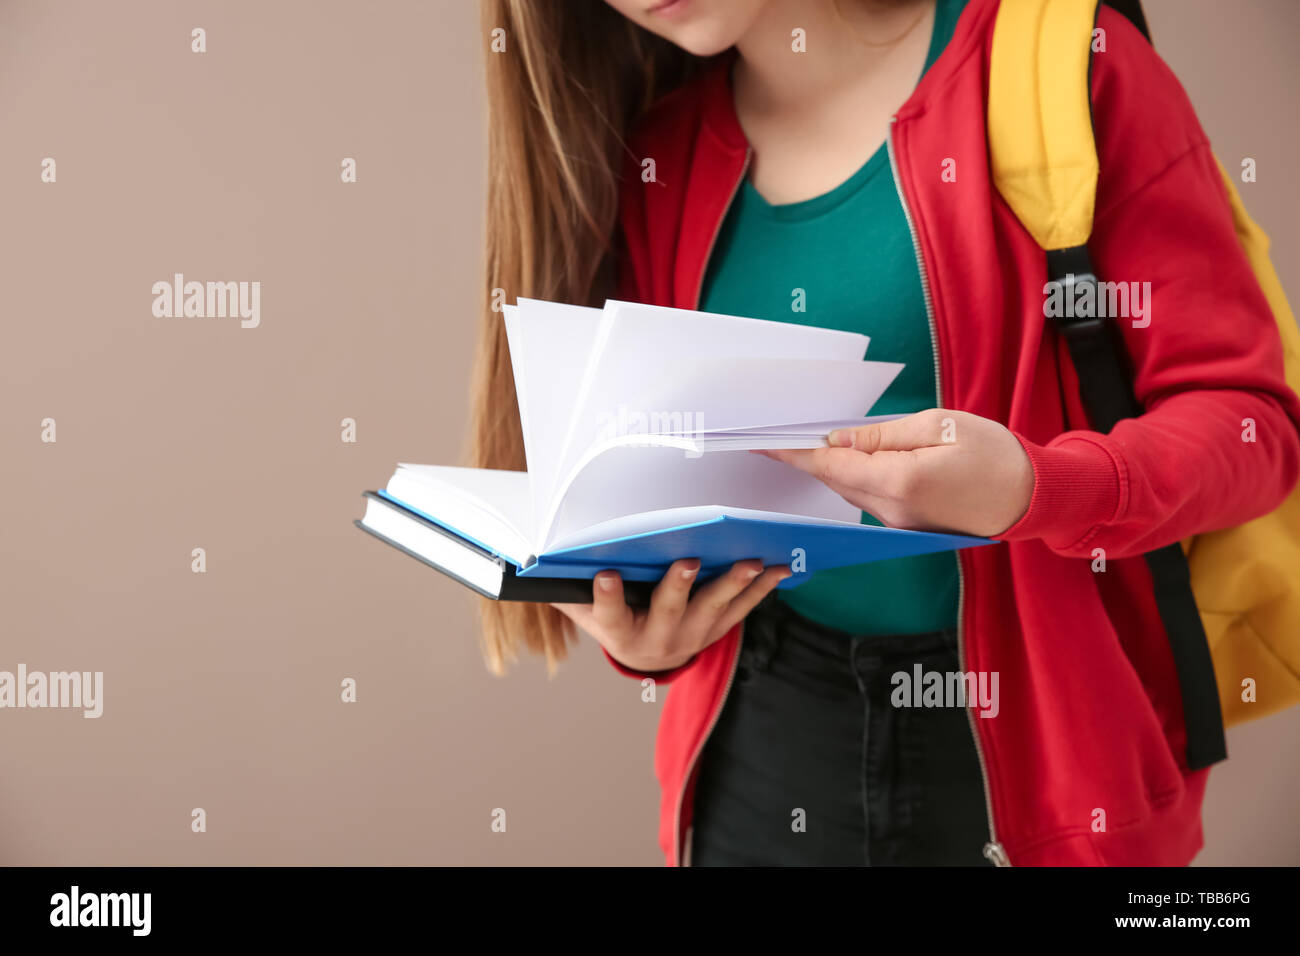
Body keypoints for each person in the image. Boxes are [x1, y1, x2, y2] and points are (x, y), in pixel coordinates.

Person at [470, 0, 1300, 866]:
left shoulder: (1064, 59)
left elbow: (1254, 425)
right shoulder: (657, 154)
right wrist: (653, 625)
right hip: (759, 741)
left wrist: (1034, 486)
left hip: (1039, 744)